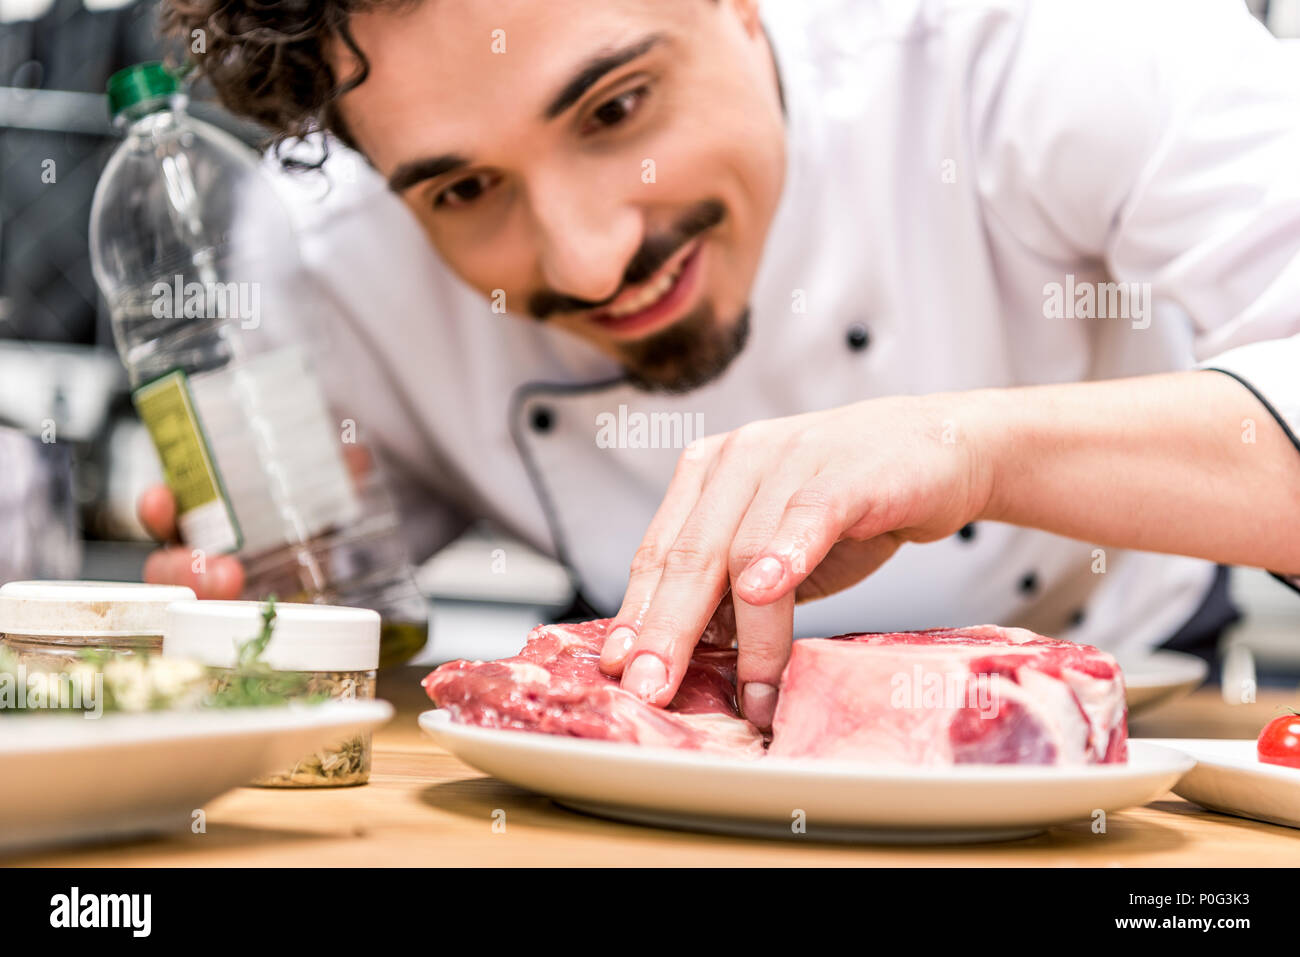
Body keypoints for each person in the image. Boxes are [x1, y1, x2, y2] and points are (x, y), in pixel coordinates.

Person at [142, 0, 1300, 728]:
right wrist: (286, 575)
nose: (591, 263)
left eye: (617, 108)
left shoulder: (1034, 40)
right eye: (463, 190)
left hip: (1118, 724)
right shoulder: (322, 251)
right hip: (650, 740)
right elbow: (349, 553)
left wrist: (972, 447)